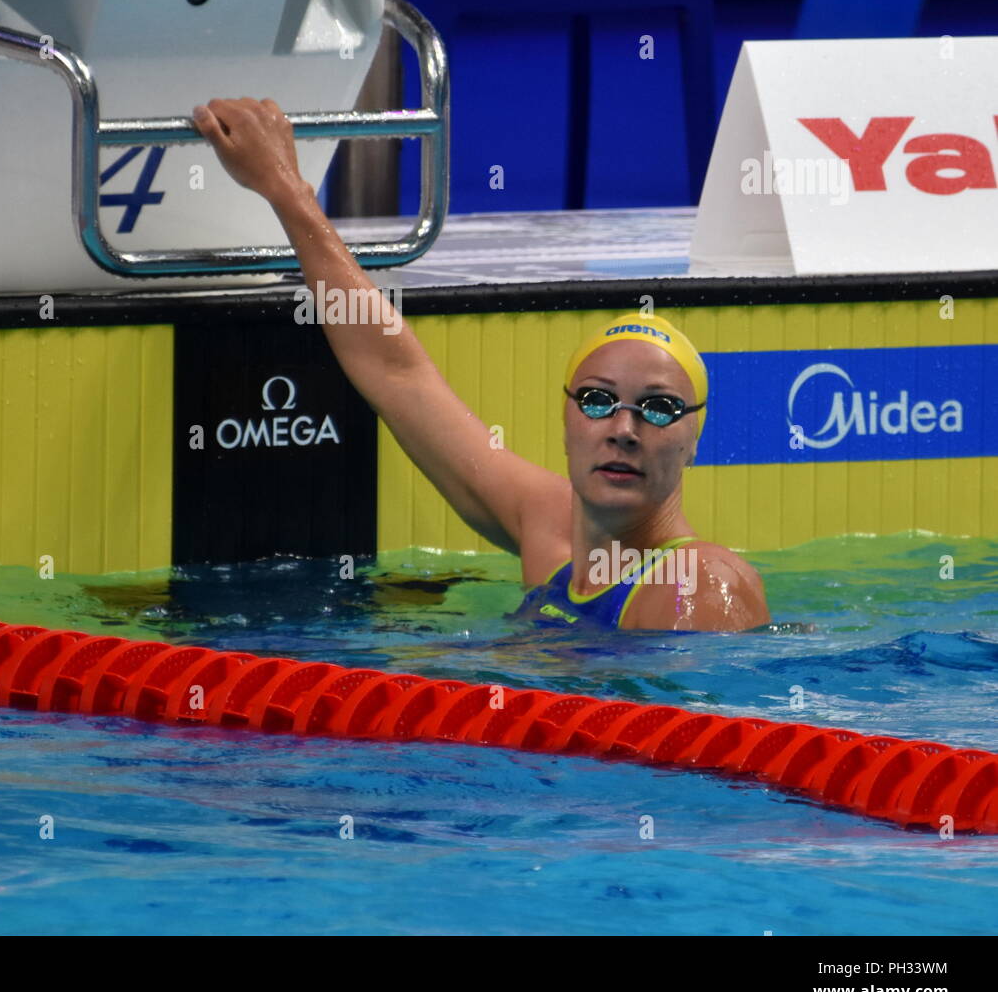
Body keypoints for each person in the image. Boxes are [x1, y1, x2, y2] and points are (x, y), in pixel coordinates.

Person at [191, 98, 769, 633]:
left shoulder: (698, 586)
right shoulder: (551, 527)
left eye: (658, 409)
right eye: (597, 400)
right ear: (567, 416)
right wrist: (286, 191)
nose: (623, 429)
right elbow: (399, 376)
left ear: (695, 437)